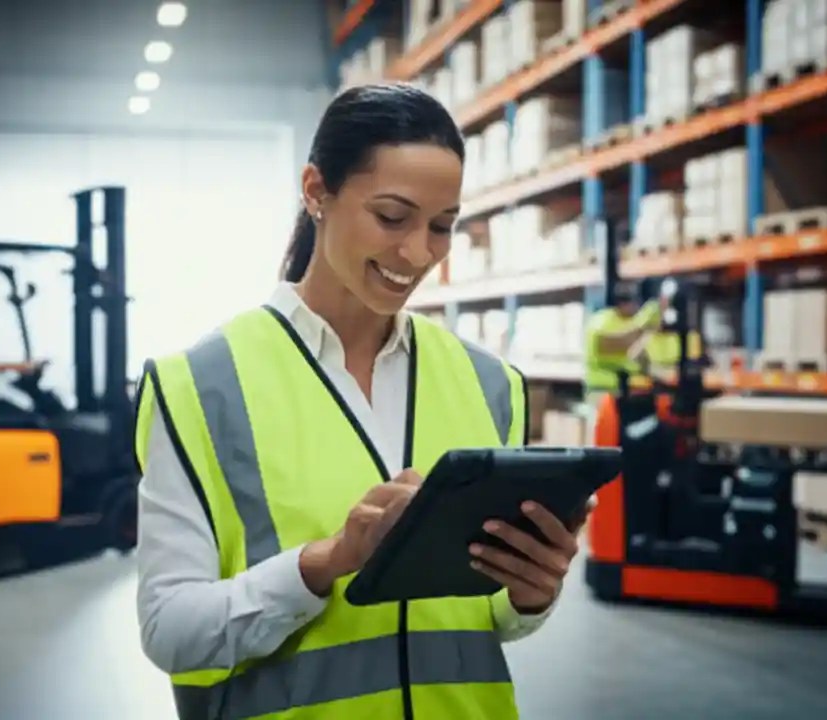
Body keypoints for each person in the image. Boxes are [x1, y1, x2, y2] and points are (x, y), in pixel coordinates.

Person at [133, 83, 592, 720]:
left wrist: (530, 592)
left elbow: (489, 618)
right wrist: (326, 562)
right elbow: (170, 630)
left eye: (442, 226)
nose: (419, 253)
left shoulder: (490, 385)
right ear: (316, 191)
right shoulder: (198, 387)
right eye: (392, 217)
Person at [582, 283, 664, 405]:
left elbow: (639, 353)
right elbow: (612, 345)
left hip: (626, 390)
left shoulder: (633, 321)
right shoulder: (602, 320)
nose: (637, 308)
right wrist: (645, 325)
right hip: (602, 390)